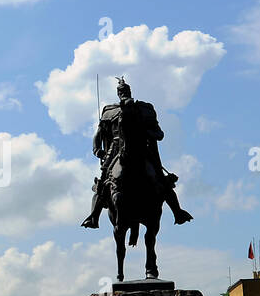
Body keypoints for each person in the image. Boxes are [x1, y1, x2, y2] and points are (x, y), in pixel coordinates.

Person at [80, 78, 193, 228]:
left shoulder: (145, 109)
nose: (123, 93)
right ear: (118, 93)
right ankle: (94, 217)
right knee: (102, 183)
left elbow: (159, 134)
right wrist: (97, 150)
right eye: (121, 91)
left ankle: (177, 212)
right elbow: (98, 134)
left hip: (143, 149)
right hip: (114, 152)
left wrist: (146, 132)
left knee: (163, 180)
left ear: (130, 91)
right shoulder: (109, 111)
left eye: (125, 90)